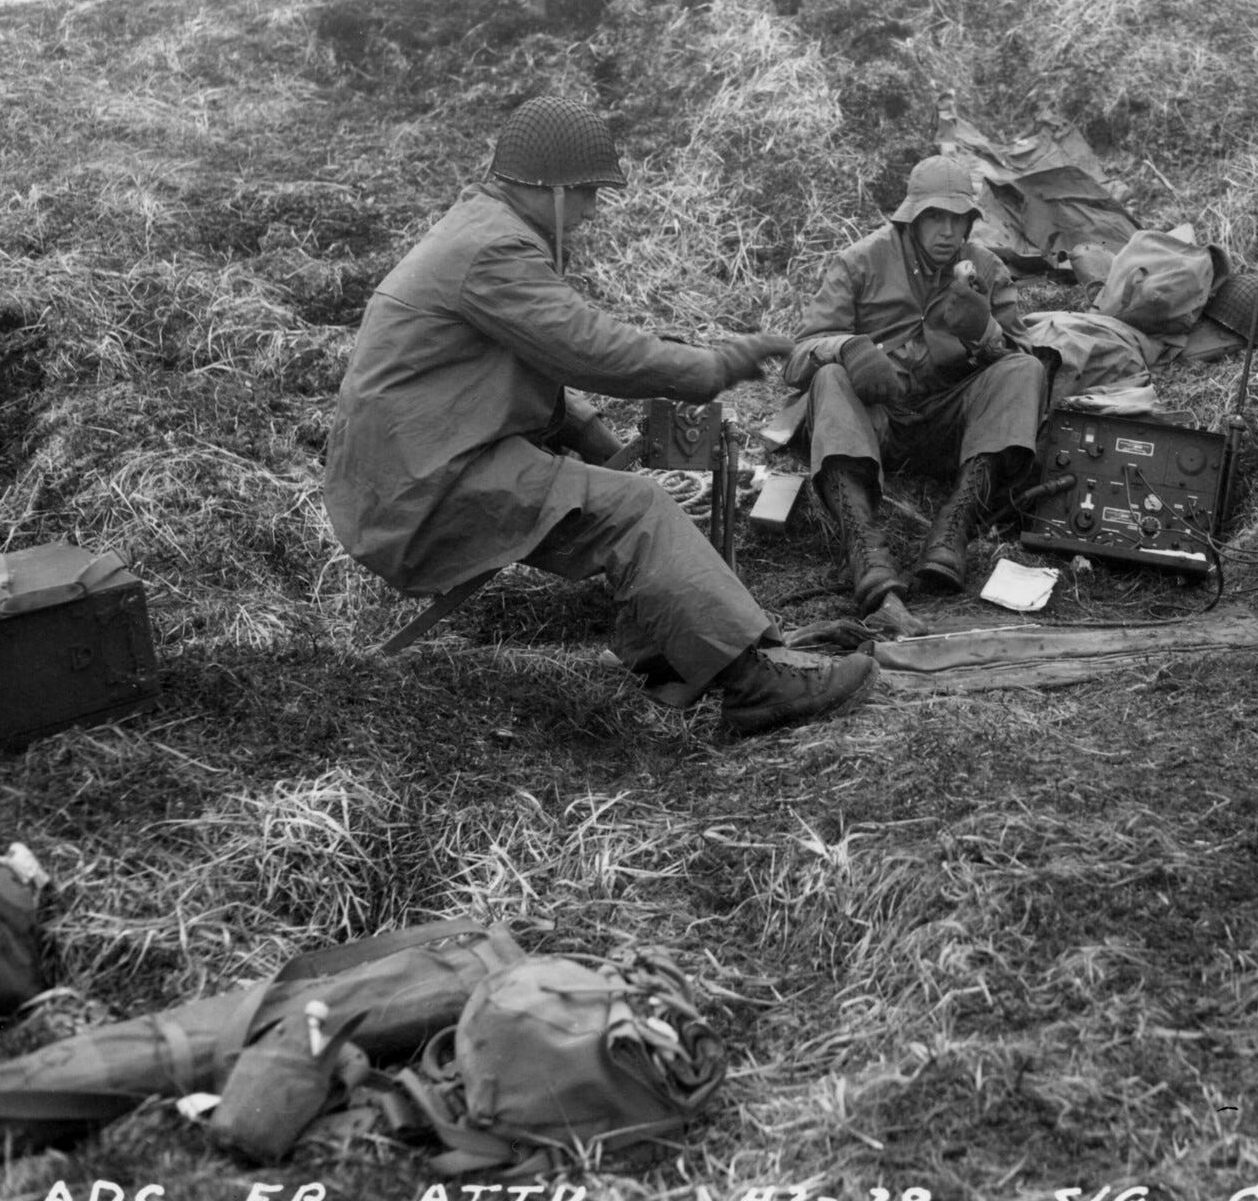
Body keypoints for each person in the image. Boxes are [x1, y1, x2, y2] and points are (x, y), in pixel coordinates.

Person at [323, 94, 877, 736]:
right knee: (636, 513)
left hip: (418, 467)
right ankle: (752, 683)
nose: (589, 212)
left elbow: (527, 367)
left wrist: (594, 442)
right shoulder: (493, 251)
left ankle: (685, 654)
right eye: (585, 193)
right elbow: (583, 346)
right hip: (423, 488)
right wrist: (710, 367)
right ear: (551, 189)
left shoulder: (479, 231)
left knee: (623, 503)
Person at [785, 155, 1048, 624]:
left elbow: (1021, 357)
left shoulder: (984, 267)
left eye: (958, 219)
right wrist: (847, 348)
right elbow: (798, 354)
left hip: (949, 424)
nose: (948, 232)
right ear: (913, 217)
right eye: (936, 218)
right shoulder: (860, 261)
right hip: (876, 424)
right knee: (828, 377)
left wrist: (983, 331)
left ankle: (954, 530)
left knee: (1023, 372)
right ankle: (864, 548)